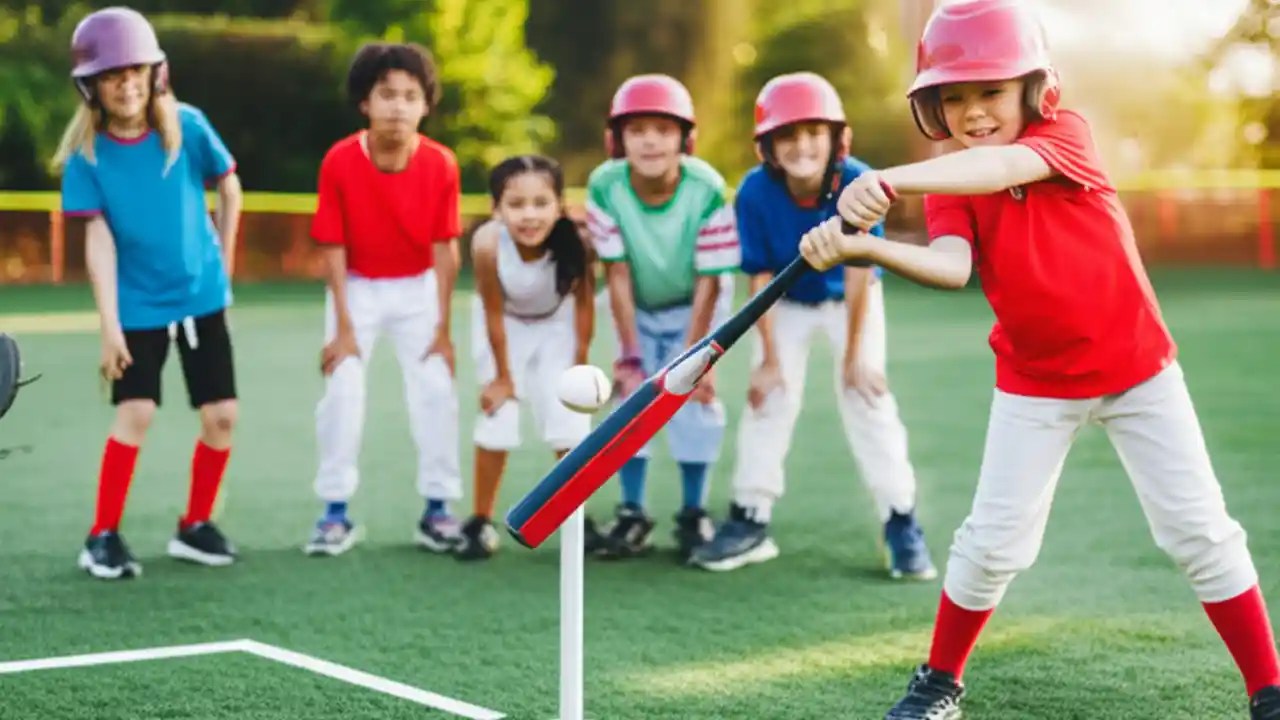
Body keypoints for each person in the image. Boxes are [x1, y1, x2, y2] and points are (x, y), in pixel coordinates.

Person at [796, 1, 1280, 717]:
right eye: (952, 98)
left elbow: (998, 167)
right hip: (1036, 381)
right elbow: (952, 265)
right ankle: (939, 681)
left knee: (1199, 530)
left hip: (1137, 369)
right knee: (991, 543)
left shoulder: (1066, 136)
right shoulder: (947, 183)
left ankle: (1267, 687)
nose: (972, 113)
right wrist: (864, 247)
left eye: (989, 91)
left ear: (1035, 88)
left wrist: (889, 180)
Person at [691, 72, 935, 580]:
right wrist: (769, 361)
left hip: (851, 299)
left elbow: (860, 269)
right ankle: (750, 516)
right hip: (784, 302)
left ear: (836, 139)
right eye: (787, 135)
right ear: (768, 147)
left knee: (867, 395)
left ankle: (901, 520)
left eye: (813, 132)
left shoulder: (860, 181)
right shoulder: (755, 192)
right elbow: (759, 275)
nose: (801, 145)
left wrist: (853, 359)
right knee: (770, 398)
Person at [52, 7, 244, 580]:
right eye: (113, 75)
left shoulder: (187, 126)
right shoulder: (86, 158)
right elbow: (99, 245)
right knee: (136, 411)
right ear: (92, 86)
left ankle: (195, 525)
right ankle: (103, 535)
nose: (127, 84)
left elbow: (229, 186)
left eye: (136, 71)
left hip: (202, 298)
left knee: (222, 416)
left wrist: (224, 263)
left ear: (156, 72)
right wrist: (110, 325)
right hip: (136, 306)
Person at [304, 42, 463, 557]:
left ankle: (438, 509)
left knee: (436, 390)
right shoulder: (339, 161)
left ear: (426, 105)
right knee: (343, 393)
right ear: (364, 103)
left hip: (419, 290)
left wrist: (443, 329)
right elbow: (332, 247)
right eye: (386, 93)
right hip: (356, 289)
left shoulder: (441, 164)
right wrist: (344, 328)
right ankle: (334, 513)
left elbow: (445, 251)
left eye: (410, 95)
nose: (398, 105)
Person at [584, 74, 741, 561]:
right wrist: (629, 353)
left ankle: (693, 514)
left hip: (699, 304)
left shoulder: (707, 188)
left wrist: (698, 360)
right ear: (618, 140)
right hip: (636, 301)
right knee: (632, 400)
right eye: (637, 130)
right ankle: (633, 513)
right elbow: (618, 275)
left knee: (695, 400)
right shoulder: (605, 185)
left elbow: (709, 282)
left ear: (684, 139)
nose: (650, 140)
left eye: (663, 129)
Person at [455, 155, 595, 561]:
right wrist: (502, 378)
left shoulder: (580, 244)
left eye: (540, 203)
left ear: (559, 205)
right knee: (497, 418)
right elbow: (493, 312)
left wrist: (579, 361)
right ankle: (480, 522)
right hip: (505, 327)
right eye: (516, 205)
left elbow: (584, 307)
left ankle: (577, 519)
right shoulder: (486, 244)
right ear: (497, 208)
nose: (529, 215)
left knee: (569, 420)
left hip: (557, 325)